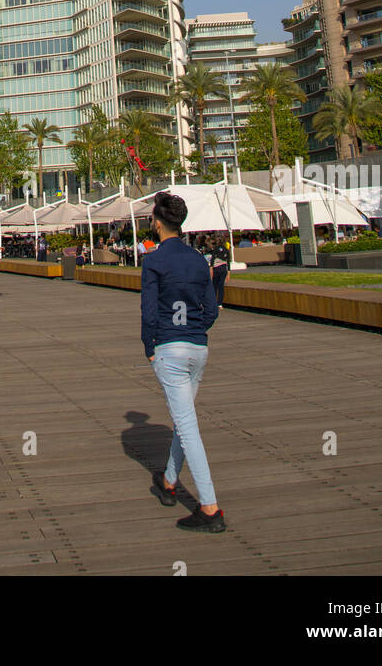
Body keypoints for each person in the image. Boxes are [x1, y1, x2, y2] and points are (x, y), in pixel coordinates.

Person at [140, 192, 224, 533]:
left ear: (157, 223)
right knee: (183, 418)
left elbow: (148, 312)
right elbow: (212, 308)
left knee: (189, 428)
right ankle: (169, 481)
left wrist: (150, 346)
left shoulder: (153, 261)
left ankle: (210, 509)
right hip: (197, 349)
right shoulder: (198, 261)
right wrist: (197, 331)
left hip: (170, 350)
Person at [210, 241, 229, 306]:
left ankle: (213, 302)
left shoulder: (215, 249)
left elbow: (212, 260)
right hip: (223, 268)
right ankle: (220, 304)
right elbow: (228, 261)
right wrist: (228, 272)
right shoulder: (226, 250)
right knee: (221, 286)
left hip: (216, 269)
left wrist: (211, 269)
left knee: (214, 286)